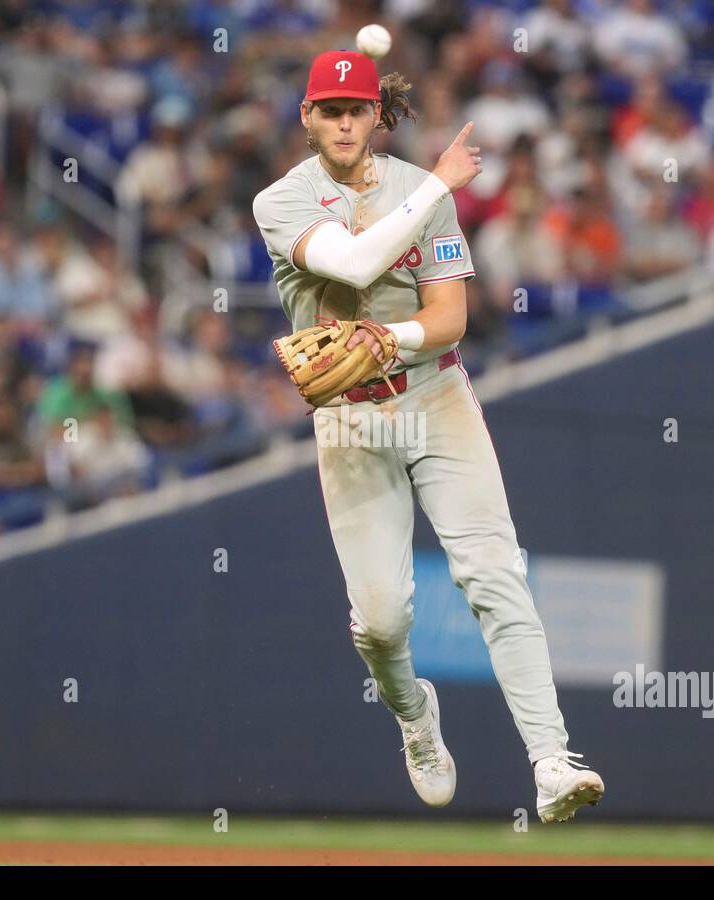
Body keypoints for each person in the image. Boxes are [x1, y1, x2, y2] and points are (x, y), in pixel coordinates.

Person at [251, 50, 604, 823]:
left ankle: (550, 759)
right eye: (329, 109)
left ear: (378, 114)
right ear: (306, 118)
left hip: (434, 390)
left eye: (357, 108)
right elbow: (352, 258)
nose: (344, 121)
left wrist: (393, 335)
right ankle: (415, 716)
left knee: (493, 572)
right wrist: (442, 181)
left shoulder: (419, 189)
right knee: (380, 621)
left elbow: (449, 319)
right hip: (350, 415)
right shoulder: (281, 201)